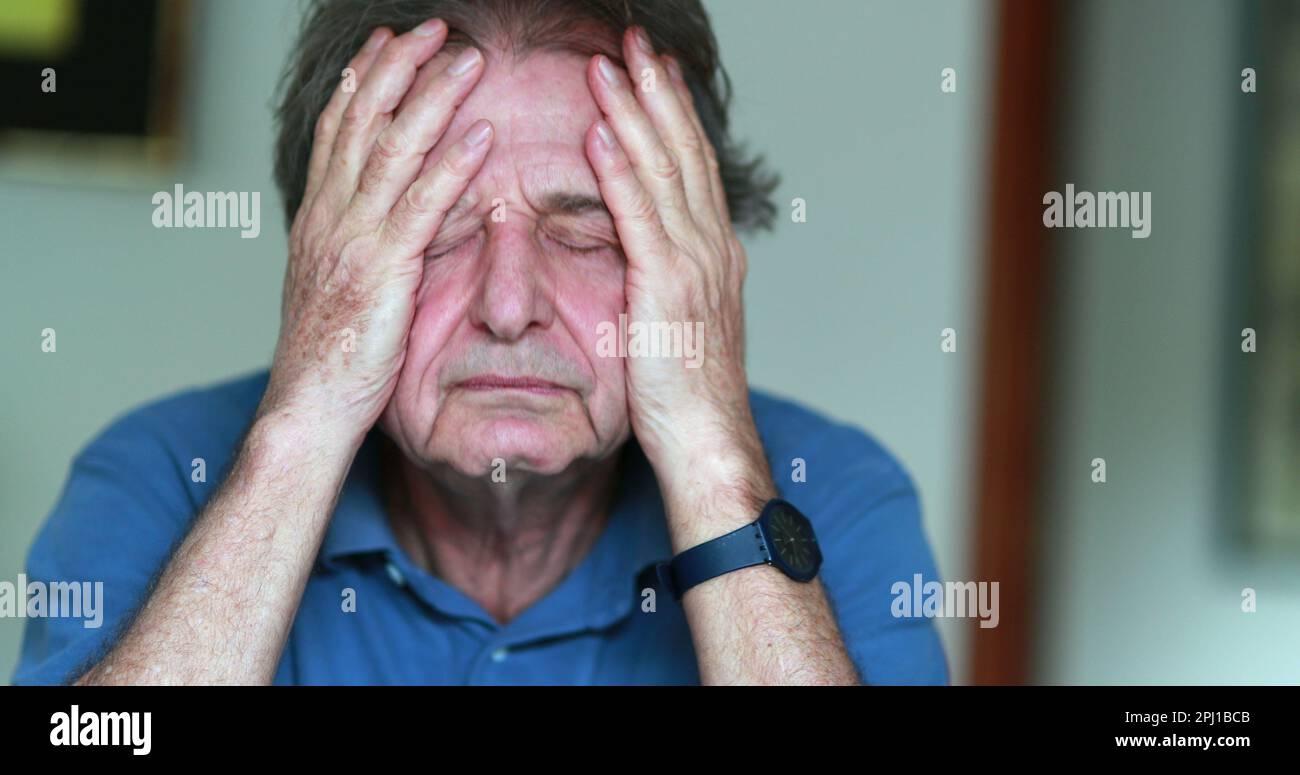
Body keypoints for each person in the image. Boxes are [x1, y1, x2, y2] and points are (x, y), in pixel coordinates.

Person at [14, 0, 947, 685]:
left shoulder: (834, 494)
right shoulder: (153, 471)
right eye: (438, 232)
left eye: (586, 235)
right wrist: (299, 432)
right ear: (325, 258)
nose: (509, 306)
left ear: (697, 263)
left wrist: (711, 456)